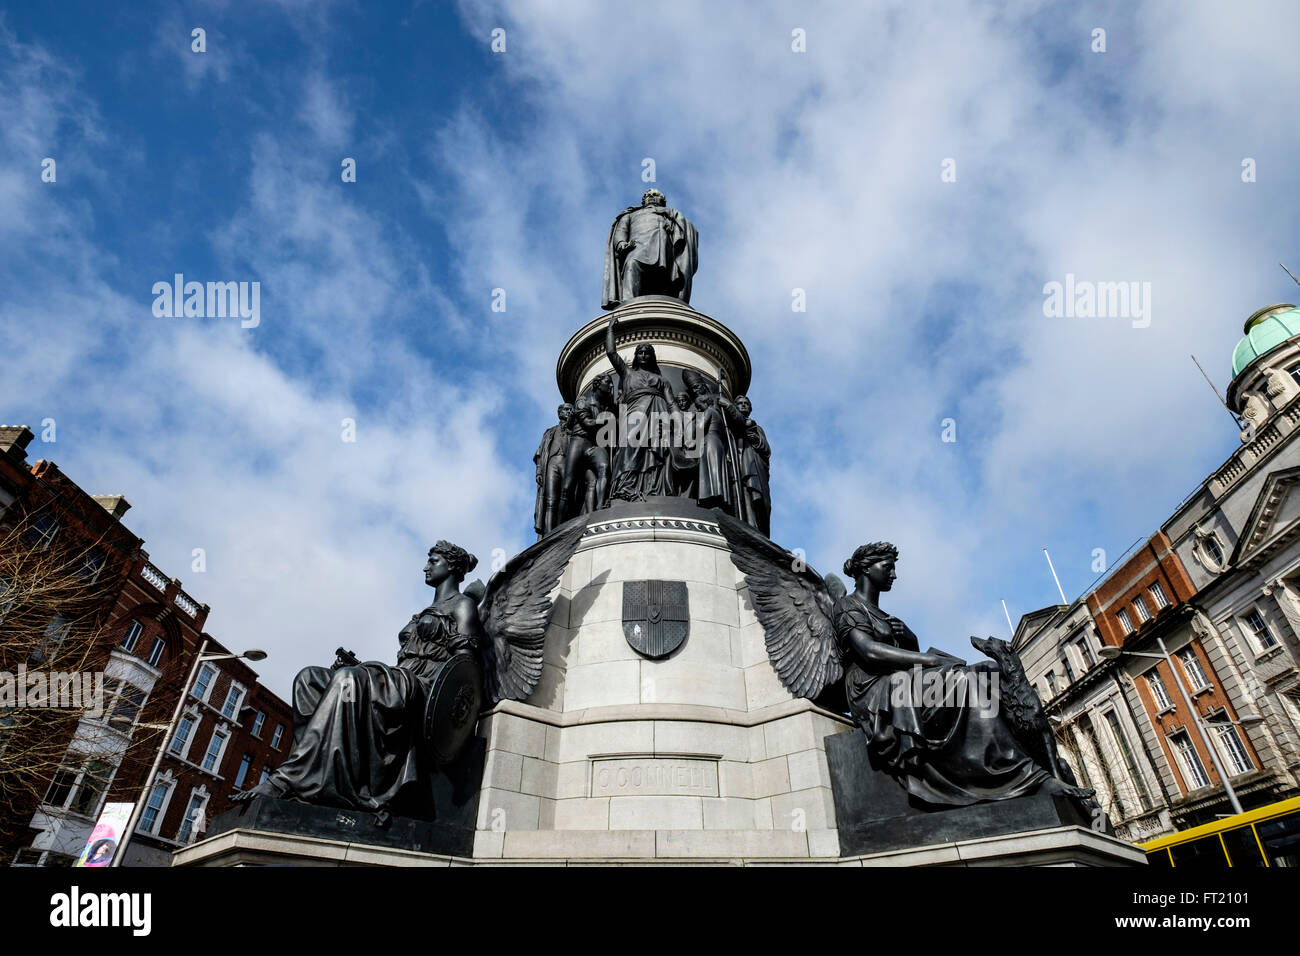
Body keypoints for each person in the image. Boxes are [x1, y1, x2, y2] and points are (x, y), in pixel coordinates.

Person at [239, 541, 483, 816]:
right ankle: (324, 782)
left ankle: (288, 780)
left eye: (433, 560)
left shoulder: (464, 606)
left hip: (422, 688)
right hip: (397, 678)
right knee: (309, 679)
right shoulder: (423, 611)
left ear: (451, 566)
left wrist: (364, 677)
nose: (425, 567)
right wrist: (360, 670)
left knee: (347, 681)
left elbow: (464, 670)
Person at [833, 541, 1061, 807]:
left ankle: (1039, 767)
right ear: (866, 569)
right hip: (872, 690)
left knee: (987, 673)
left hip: (900, 682)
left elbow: (904, 658)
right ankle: (1013, 772)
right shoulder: (848, 607)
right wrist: (928, 658)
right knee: (962, 680)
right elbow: (870, 652)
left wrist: (911, 638)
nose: (894, 575)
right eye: (888, 567)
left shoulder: (886, 615)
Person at [605, 314, 676, 501]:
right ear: (636, 356)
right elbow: (611, 353)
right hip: (634, 412)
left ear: (652, 357)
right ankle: (625, 487)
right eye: (640, 353)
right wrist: (610, 329)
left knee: (656, 448)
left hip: (658, 411)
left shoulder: (662, 380)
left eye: (647, 353)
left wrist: (679, 419)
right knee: (630, 443)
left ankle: (652, 487)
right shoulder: (627, 373)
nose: (644, 355)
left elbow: (671, 402)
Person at [601, 188, 699, 309]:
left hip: (665, 251)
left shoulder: (671, 214)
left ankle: (669, 301)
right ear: (644, 201)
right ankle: (628, 305)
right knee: (632, 264)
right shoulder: (630, 215)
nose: (651, 196)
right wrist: (621, 244)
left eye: (656, 195)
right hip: (637, 249)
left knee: (667, 280)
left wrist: (675, 226)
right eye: (648, 195)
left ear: (662, 201)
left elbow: (686, 228)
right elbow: (621, 231)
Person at [731, 395, 771, 536]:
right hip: (738, 466)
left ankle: (755, 528)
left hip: (753, 465)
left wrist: (757, 440)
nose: (743, 405)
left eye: (746, 404)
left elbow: (767, 449)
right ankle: (747, 524)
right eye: (740, 403)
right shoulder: (731, 425)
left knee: (756, 498)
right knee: (743, 493)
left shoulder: (756, 427)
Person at [534, 404, 572, 537]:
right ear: (560, 413)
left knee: (566, 499)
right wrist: (539, 471)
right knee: (551, 500)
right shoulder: (550, 432)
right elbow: (539, 453)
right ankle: (549, 534)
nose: (569, 412)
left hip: (568, 464)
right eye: (566, 409)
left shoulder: (574, 431)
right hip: (552, 464)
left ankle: (563, 529)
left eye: (570, 410)